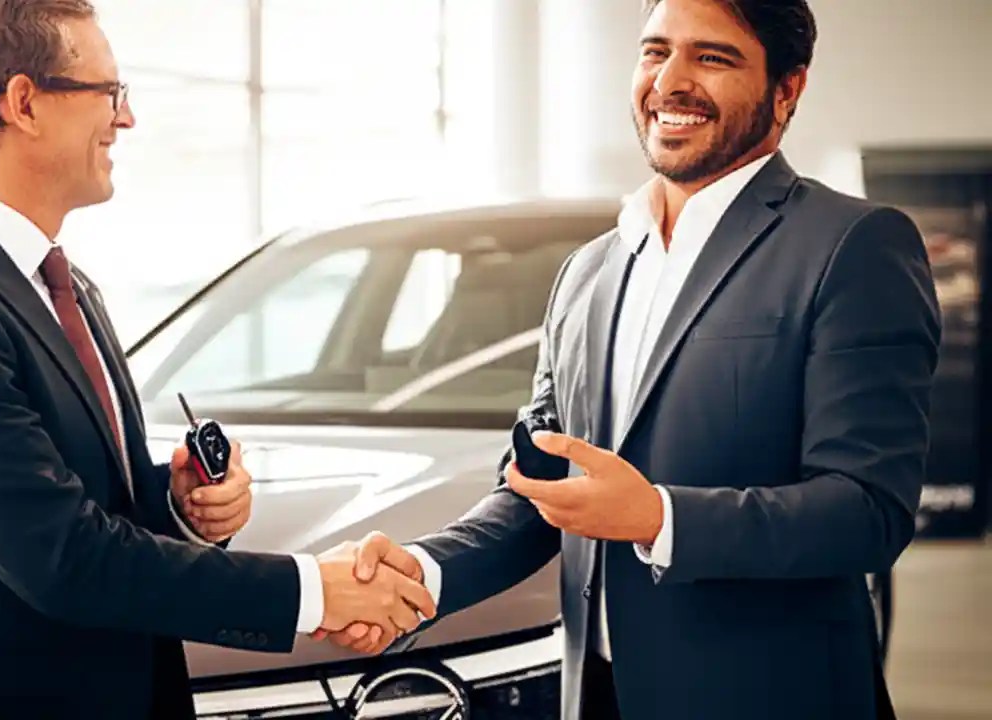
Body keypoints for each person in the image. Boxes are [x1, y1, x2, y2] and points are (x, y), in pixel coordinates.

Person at [315, 0, 940, 718]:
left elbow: (867, 512)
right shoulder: (588, 270)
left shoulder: (853, 245)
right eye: (654, 51)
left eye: (712, 57)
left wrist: (658, 518)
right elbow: (537, 490)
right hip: (600, 695)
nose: (670, 80)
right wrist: (421, 571)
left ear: (787, 88)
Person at [0, 2, 433, 718]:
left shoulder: (61, 282)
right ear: (24, 102)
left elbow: (78, 499)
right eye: (109, 93)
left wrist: (174, 504)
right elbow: (60, 556)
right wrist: (314, 590)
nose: (126, 120)